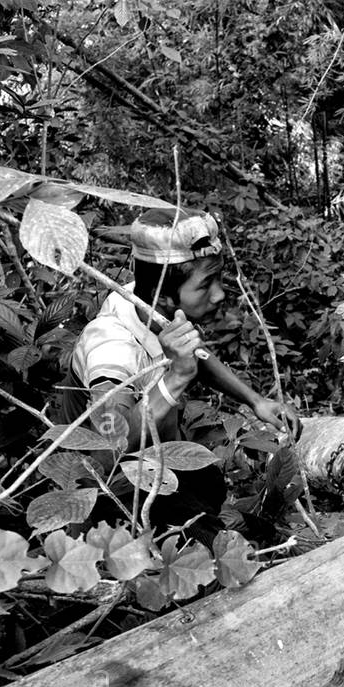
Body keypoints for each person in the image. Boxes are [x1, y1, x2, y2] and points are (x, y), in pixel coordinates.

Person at [63, 207, 294, 539]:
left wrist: (255, 401)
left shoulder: (145, 300)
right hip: (111, 493)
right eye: (205, 285)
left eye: (218, 278)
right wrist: (176, 379)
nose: (219, 294)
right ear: (167, 297)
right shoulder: (110, 347)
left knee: (208, 482)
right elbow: (107, 449)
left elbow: (196, 352)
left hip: (159, 467)